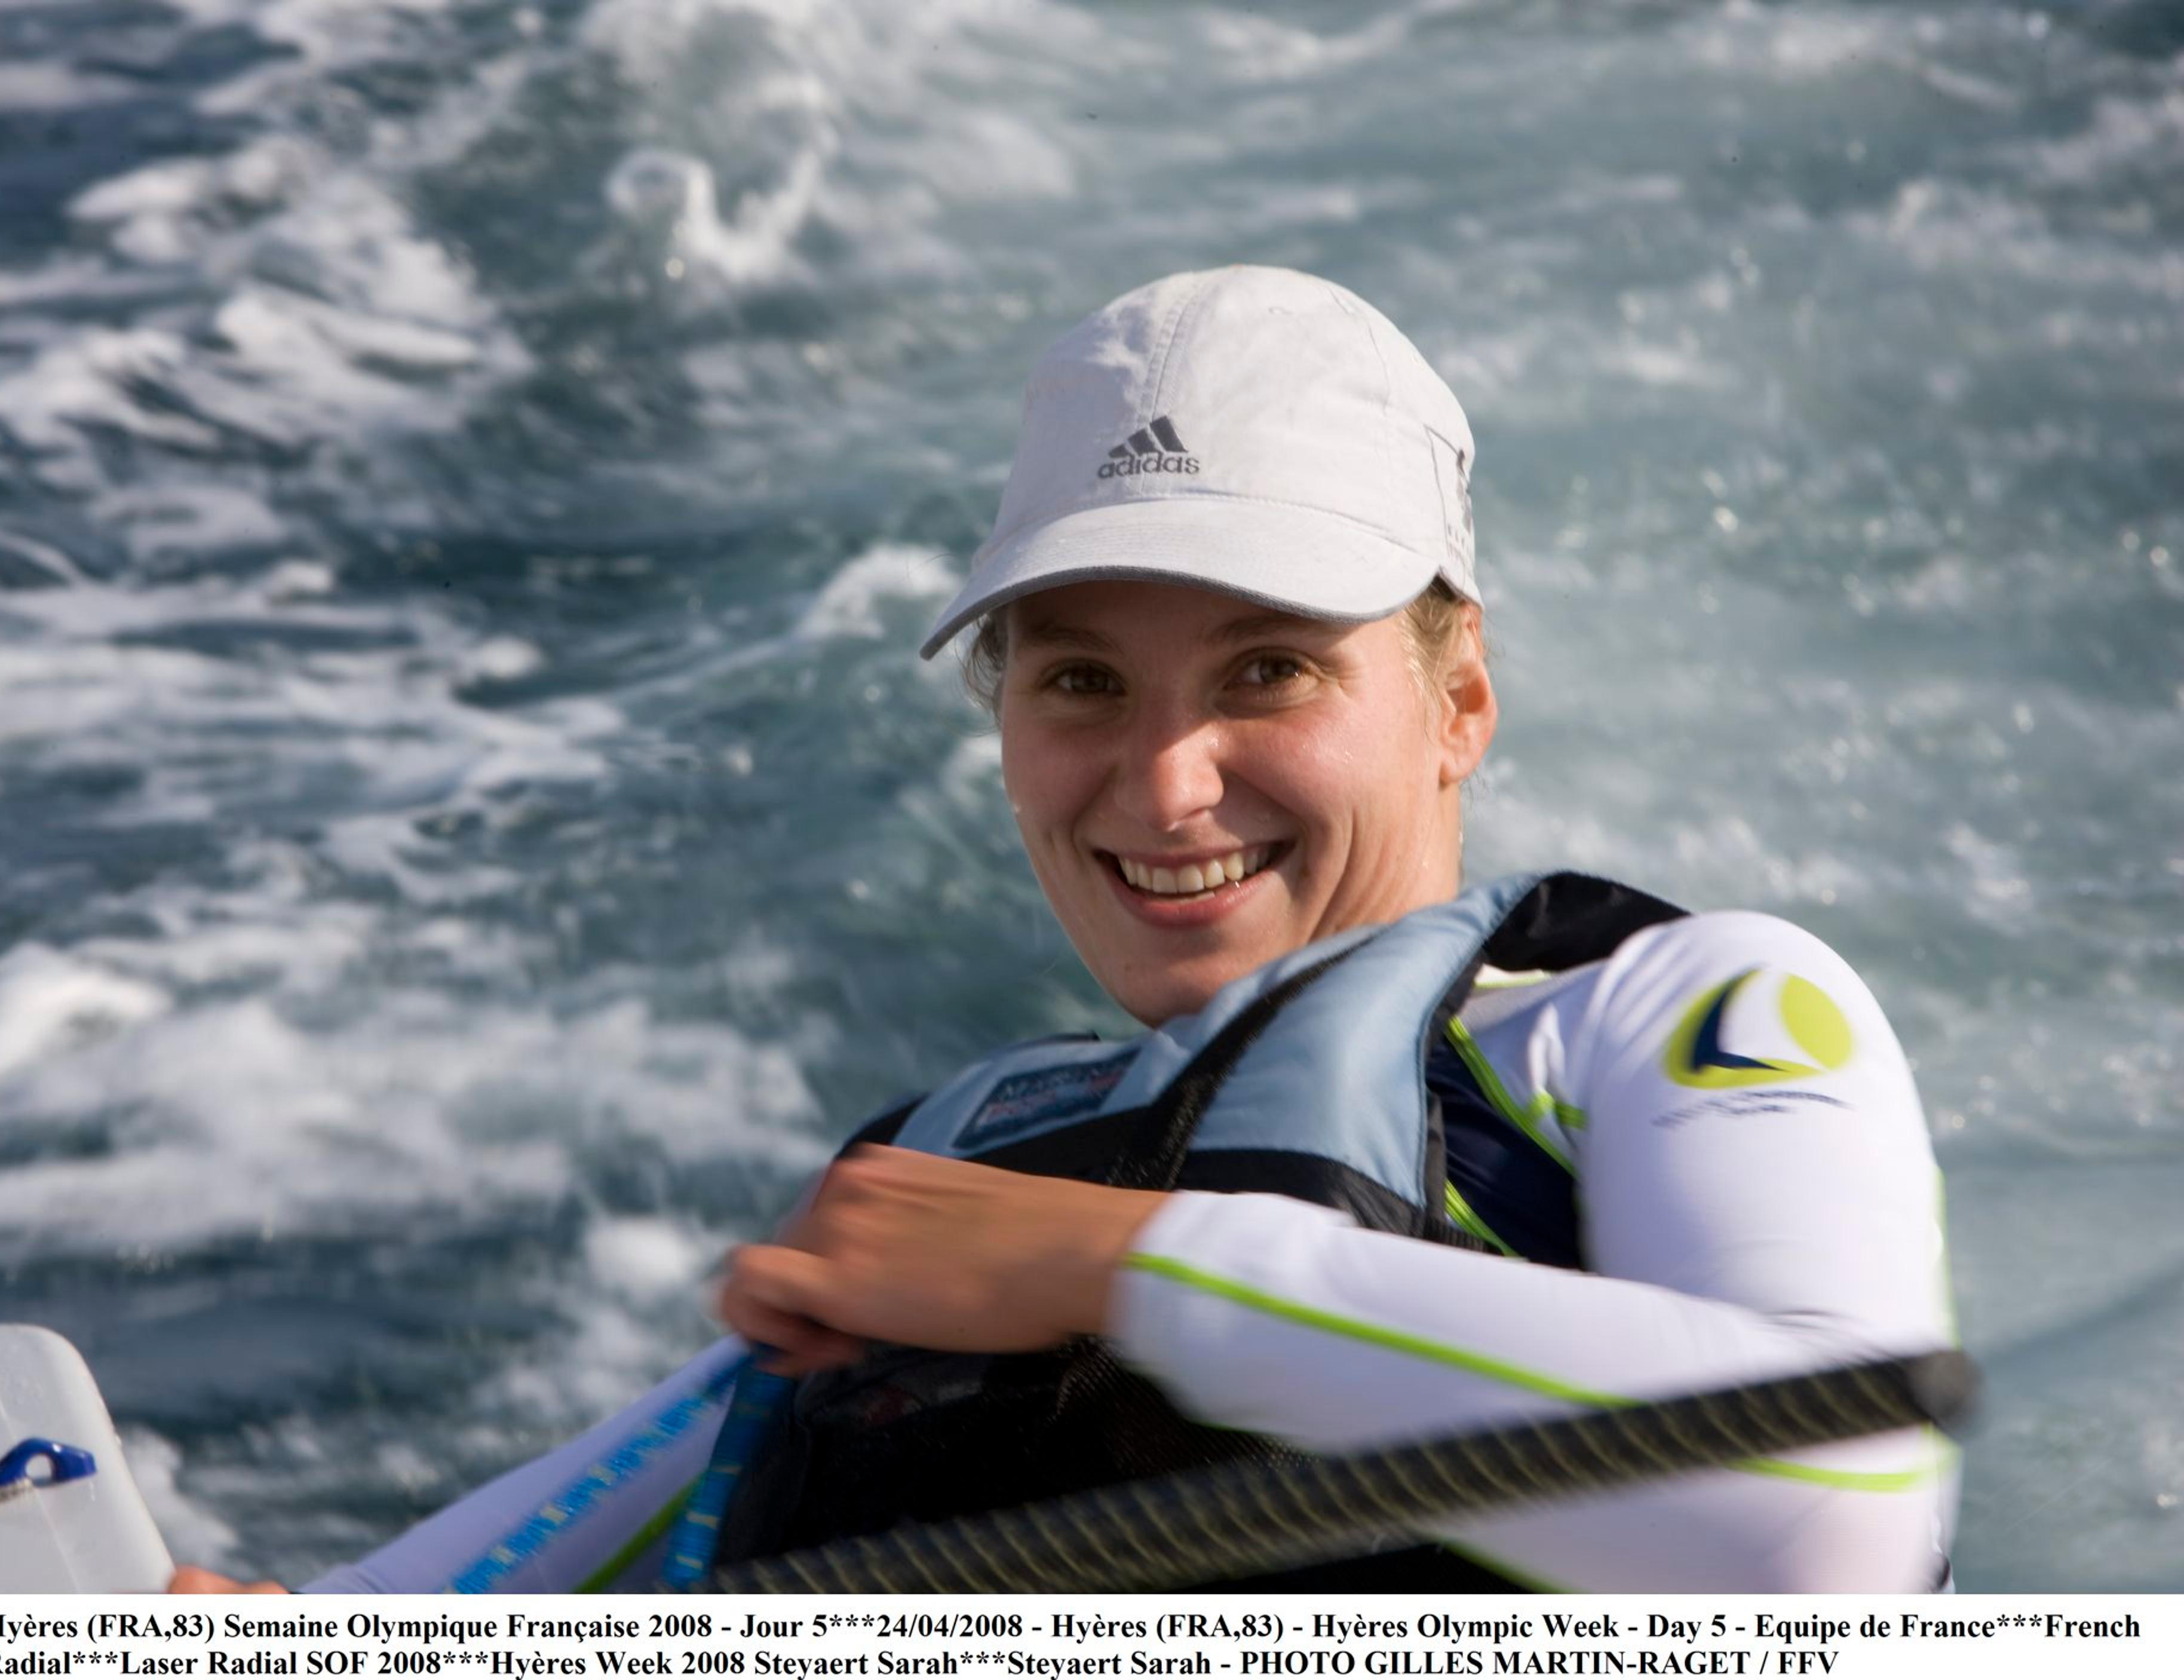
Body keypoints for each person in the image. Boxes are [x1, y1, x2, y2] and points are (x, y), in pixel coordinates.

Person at [182, 265, 1957, 1595]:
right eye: (1083, 680)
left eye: (1269, 668)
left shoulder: (1669, 1015)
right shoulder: (960, 1171)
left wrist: (1110, 1274)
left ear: (1459, 701)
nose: (1166, 782)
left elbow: (1835, 1507)